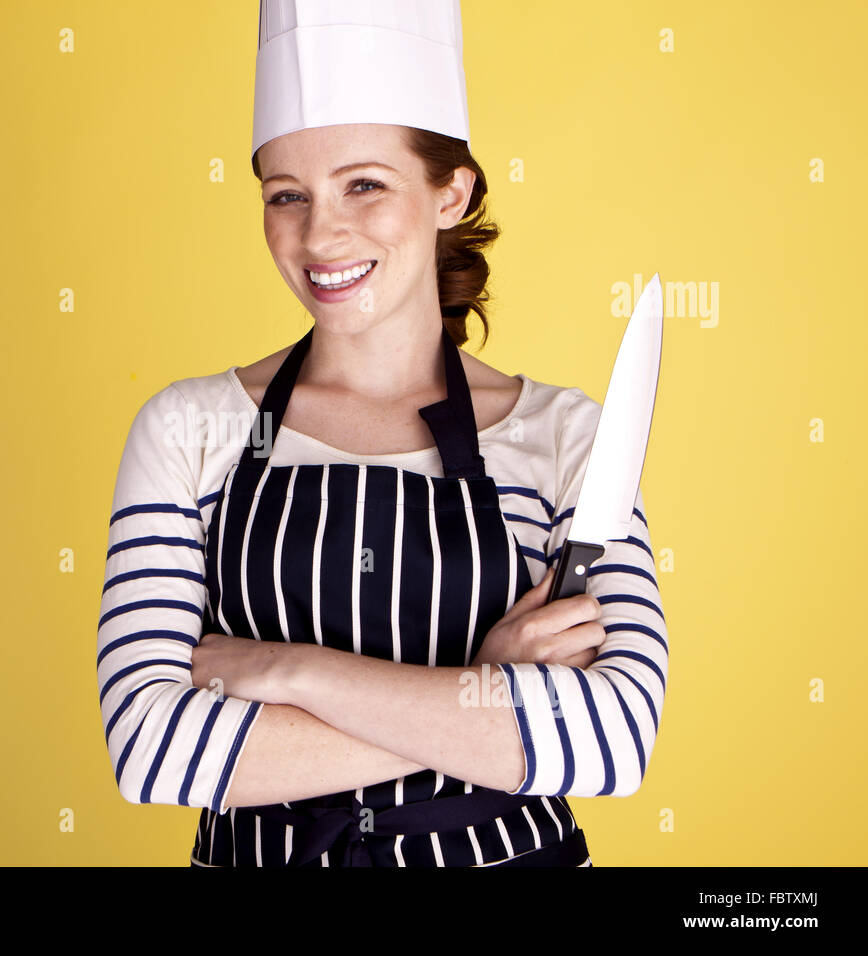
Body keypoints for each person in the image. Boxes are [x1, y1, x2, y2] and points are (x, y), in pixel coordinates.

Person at [95, 0, 667, 867]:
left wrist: (293, 673)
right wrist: (483, 691)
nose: (321, 233)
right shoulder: (192, 430)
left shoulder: (564, 440)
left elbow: (613, 742)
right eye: (287, 195)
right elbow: (151, 749)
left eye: (365, 183)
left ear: (452, 190)